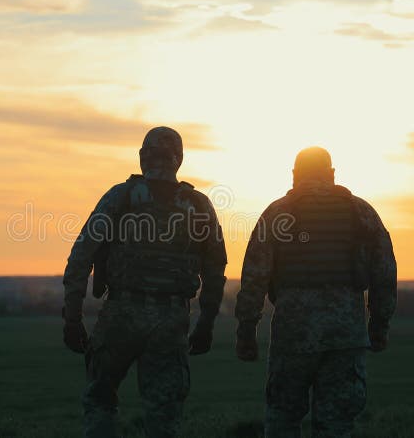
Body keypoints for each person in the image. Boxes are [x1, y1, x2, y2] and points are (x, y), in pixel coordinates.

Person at [62, 126, 228, 438]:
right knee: (163, 412)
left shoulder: (120, 197)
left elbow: (81, 256)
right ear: (179, 160)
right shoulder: (200, 206)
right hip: (171, 321)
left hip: (120, 315)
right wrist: (205, 323)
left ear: (142, 157)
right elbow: (216, 268)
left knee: (100, 397)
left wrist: (72, 316)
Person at [234, 146, 397, 437]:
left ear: (295, 175)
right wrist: (379, 325)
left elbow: (254, 277)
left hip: (293, 335)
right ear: (331, 174)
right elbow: (384, 272)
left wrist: (246, 331)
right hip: (344, 336)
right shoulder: (361, 212)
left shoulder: (277, 213)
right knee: (336, 424)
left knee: (283, 419)